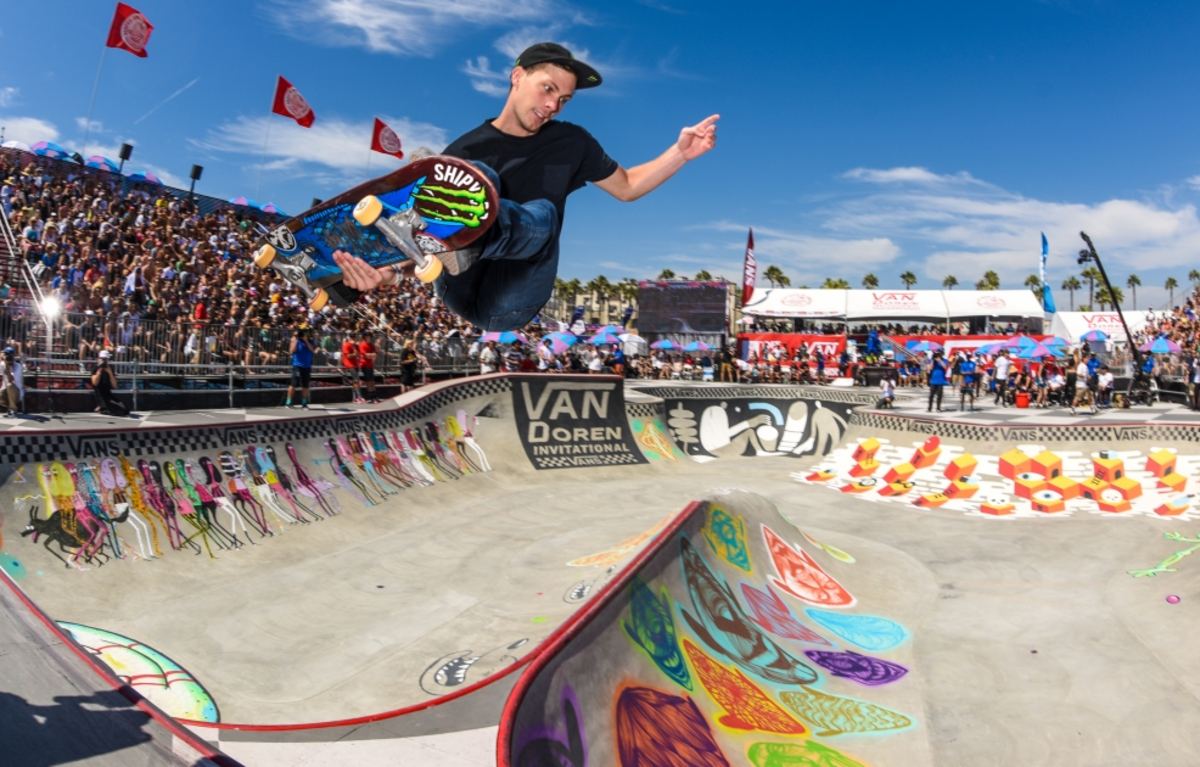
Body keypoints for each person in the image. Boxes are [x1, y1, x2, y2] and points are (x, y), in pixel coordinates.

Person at [333, 42, 718, 331]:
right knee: (469, 175)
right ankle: (440, 242)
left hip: (510, 300)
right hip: (457, 290)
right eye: (547, 89)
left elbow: (628, 186)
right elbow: (422, 240)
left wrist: (680, 153)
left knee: (540, 212)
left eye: (564, 99)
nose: (553, 106)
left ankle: (476, 240)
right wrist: (387, 274)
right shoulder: (464, 151)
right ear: (518, 76)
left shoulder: (572, 142)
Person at [92, 350, 128, 416]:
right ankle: (101, 409)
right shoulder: (96, 368)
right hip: (101, 397)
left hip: (109, 395)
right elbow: (95, 383)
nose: (106, 361)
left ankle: (104, 408)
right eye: (104, 359)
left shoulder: (110, 369)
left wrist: (110, 372)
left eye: (106, 359)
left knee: (126, 410)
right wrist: (100, 370)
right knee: (121, 411)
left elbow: (114, 385)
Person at [286, 328, 314, 409]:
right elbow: (293, 350)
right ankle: (288, 402)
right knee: (293, 384)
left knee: (305, 385)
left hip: (306, 366)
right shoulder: (297, 341)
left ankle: (304, 403)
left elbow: (312, 349)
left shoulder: (311, 341)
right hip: (297, 365)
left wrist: (306, 341)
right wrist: (297, 340)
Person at [342, 331, 364, 403]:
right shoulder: (346, 345)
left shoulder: (356, 346)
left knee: (355, 381)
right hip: (349, 365)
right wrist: (354, 352)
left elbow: (358, 354)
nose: (353, 338)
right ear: (349, 337)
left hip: (355, 364)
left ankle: (354, 398)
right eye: (351, 337)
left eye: (354, 337)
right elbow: (348, 356)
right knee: (356, 379)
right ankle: (359, 396)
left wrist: (355, 349)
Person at [0, 346, 22, 417]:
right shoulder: (2, 364)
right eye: (7, 354)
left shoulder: (17, 366)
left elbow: (11, 380)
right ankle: (9, 407)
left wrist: (7, 366)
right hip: (5, 392)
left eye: (10, 354)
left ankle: (13, 410)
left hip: (16, 393)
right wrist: (1, 359)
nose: (8, 357)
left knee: (9, 385)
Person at [359, 332, 379, 403]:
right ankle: (371, 396)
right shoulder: (362, 344)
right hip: (365, 365)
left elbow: (375, 354)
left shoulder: (371, 345)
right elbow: (365, 355)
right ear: (364, 337)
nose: (368, 337)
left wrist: (370, 355)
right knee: (368, 381)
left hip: (370, 365)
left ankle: (375, 395)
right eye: (367, 336)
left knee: (372, 381)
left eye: (369, 336)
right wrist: (371, 355)